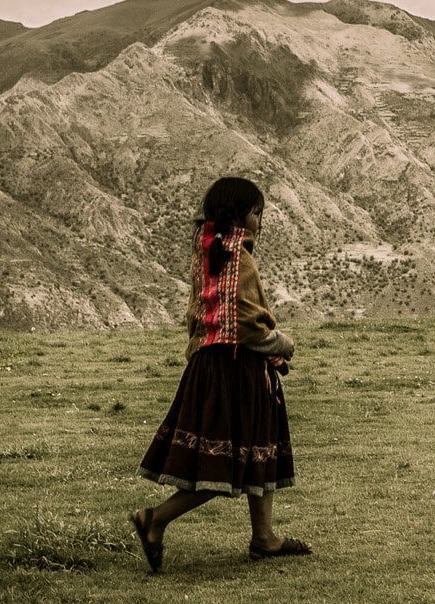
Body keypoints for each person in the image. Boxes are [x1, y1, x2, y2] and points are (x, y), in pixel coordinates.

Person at [131, 176, 309, 572]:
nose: (261, 222)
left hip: (211, 366)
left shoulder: (207, 253)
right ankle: (154, 519)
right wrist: (282, 345)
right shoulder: (238, 258)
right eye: (258, 213)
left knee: (254, 452)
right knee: (224, 465)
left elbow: (209, 316)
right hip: (234, 371)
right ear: (241, 215)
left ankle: (264, 538)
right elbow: (245, 325)